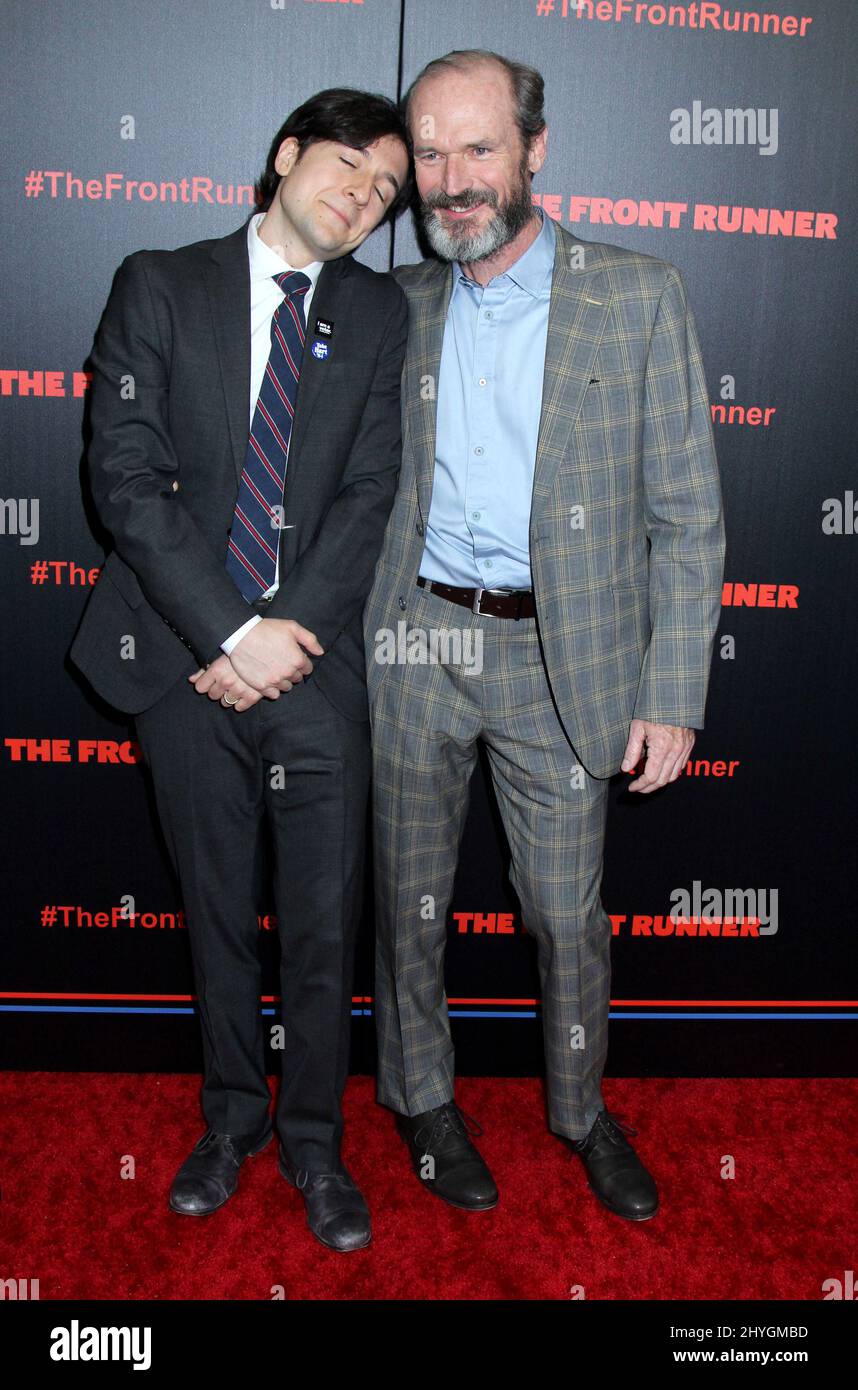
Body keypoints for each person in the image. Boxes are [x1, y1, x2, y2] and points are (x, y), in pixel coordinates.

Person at [364, 50, 724, 1221]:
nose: (452, 179)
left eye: (478, 147)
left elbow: (687, 513)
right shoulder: (400, 304)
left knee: (566, 917)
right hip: (419, 642)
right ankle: (421, 1099)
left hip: (559, 660)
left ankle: (579, 1110)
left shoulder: (639, 293)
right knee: (408, 900)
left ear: (535, 150)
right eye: (429, 153)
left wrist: (670, 692)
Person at [69, 88, 412, 1252]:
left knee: (323, 924)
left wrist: (282, 637)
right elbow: (127, 478)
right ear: (283, 157)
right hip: (181, 662)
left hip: (316, 668)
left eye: (385, 192)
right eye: (351, 165)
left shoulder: (376, 315)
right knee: (216, 913)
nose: (364, 197)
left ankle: (314, 1140)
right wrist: (227, 634)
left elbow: (370, 497)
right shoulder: (158, 282)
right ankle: (233, 1122)